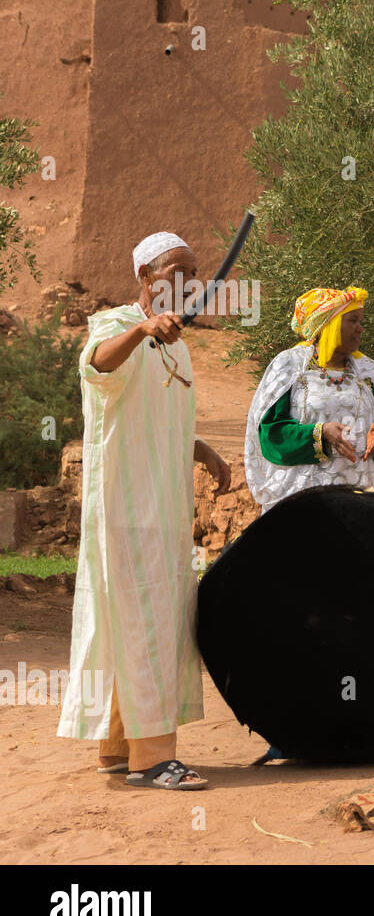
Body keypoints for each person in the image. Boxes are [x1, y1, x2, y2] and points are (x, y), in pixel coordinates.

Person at [58, 232, 231, 791]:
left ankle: (118, 747)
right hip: (126, 508)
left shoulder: (179, 343)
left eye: (192, 271)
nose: (184, 282)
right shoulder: (115, 325)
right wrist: (140, 328)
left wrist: (198, 448)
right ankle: (154, 760)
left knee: (130, 622)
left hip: (163, 507)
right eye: (172, 271)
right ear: (145, 278)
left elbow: (157, 421)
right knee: (146, 622)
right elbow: (97, 366)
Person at [243, 287, 374, 511]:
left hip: (360, 497)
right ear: (330, 324)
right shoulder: (289, 367)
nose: (360, 328)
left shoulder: (372, 374)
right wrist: (320, 433)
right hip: (303, 500)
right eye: (353, 320)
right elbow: (271, 433)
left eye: (361, 321)